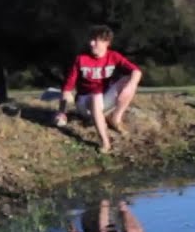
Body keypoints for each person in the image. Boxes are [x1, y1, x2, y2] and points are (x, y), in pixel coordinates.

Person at [53, 25, 142, 153]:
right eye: (91, 40)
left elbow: (136, 71)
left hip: (103, 99)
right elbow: (67, 86)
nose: (91, 43)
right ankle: (105, 141)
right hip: (85, 103)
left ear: (107, 43)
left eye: (96, 40)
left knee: (129, 79)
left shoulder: (114, 56)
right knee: (95, 96)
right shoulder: (81, 59)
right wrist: (61, 111)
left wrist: (130, 86)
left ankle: (116, 119)